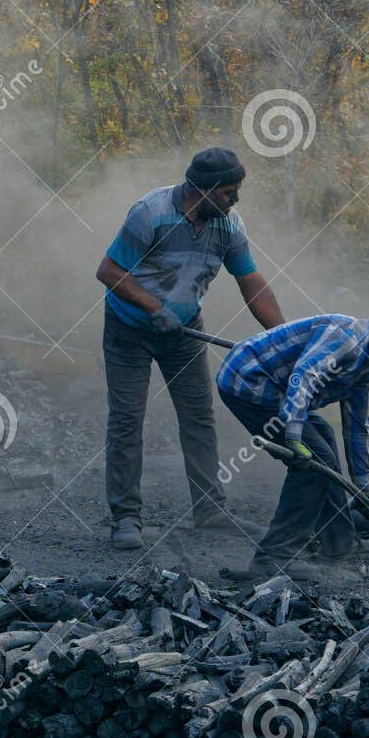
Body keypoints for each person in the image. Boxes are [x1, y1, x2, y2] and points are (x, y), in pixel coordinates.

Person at [95, 147, 284, 551]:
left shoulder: (228, 226)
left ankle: (210, 510)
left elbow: (250, 281)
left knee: (199, 417)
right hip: (128, 330)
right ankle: (126, 517)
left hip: (183, 333)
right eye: (229, 192)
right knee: (128, 420)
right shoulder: (150, 213)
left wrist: (283, 339)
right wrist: (152, 306)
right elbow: (109, 271)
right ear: (203, 189)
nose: (235, 200)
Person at [216, 299, 369, 576]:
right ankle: (272, 557)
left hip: (278, 392)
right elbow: (305, 375)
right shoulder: (347, 337)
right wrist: (293, 435)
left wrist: (361, 483)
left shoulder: (368, 365)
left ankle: (338, 543)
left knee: (324, 439)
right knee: (314, 465)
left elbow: (357, 424)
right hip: (249, 381)